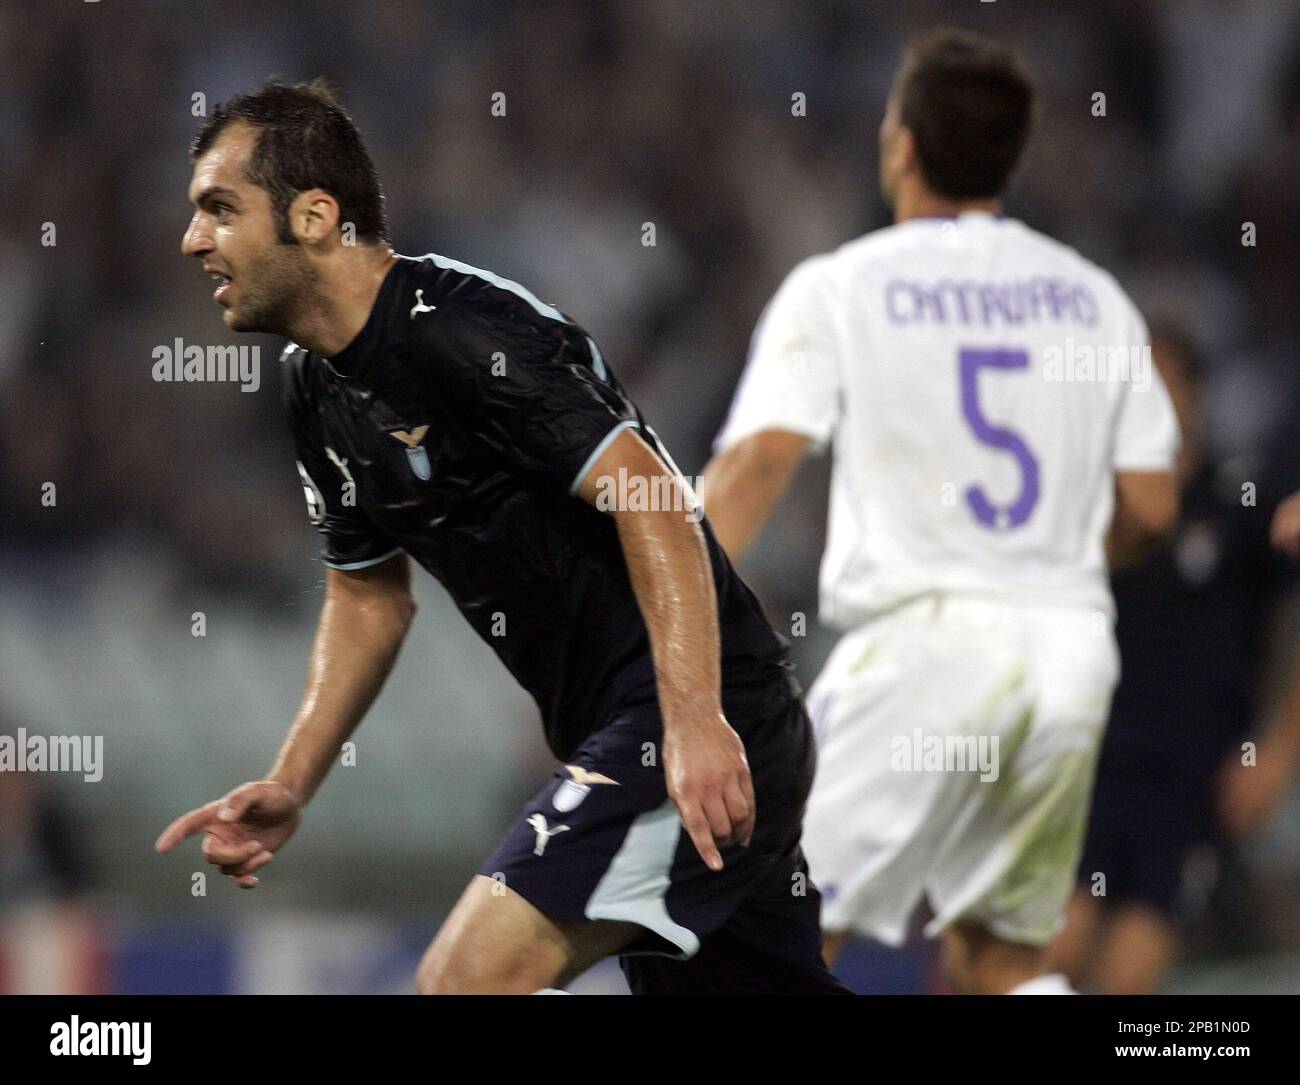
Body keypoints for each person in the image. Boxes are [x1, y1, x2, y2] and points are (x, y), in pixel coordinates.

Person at [155, 79, 848, 995]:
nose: (193, 240)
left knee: (459, 985)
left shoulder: (463, 328)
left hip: (692, 723)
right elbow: (368, 592)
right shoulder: (315, 390)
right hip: (646, 728)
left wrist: (690, 719)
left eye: (220, 209)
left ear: (315, 216)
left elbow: (650, 495)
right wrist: (294, 778)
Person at [697, 28, 1179, 994]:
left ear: (903, 145)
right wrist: (1052, 568)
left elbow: (754, 465)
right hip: (1068, 654)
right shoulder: (1095, 302)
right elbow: (1154, 506)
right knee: (999, 963)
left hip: (922, 649)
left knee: (763, 931)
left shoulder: (842, 286)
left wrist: (663, 625)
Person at [1048, 325, 1300, 993]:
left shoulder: (1243, 496)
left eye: (1161, 381)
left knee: (1128, 974)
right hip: (1092, 762)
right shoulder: (1095, 505)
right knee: (1052, 951)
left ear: (1195, 395)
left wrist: (1278, 749)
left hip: (1191, 777)